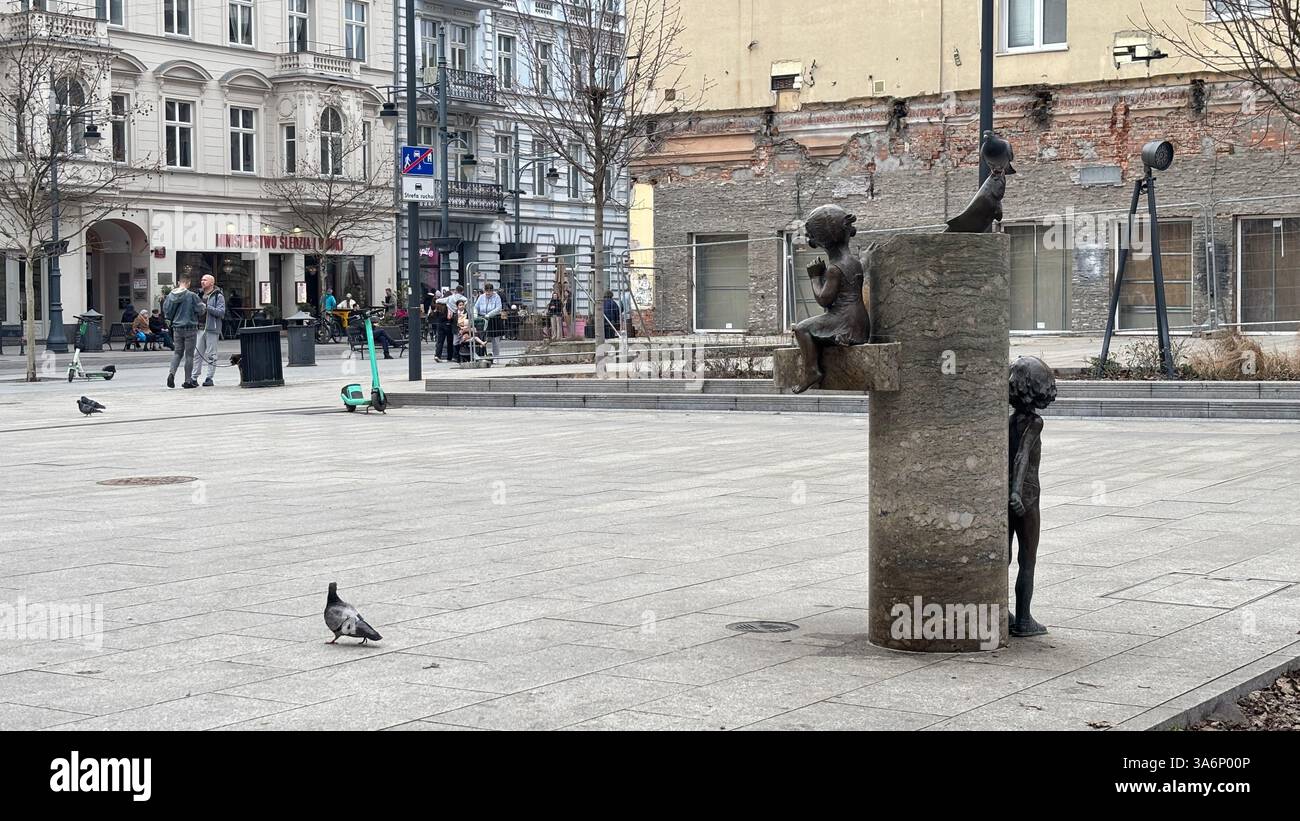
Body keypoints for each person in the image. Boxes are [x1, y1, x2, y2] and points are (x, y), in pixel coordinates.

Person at [790, 204, 871, 394]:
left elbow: (824, 300)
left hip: (845, 322)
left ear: (821, 241)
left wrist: (814, 277)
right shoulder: (854, 261)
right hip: (860, 323)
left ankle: (811, 371)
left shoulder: (835, 268)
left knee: (802, 329)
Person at [163, 274, 202, 388]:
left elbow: (166, 311)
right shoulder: (192, 295)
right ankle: (188, 380)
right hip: (190, 328)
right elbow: (200, 310)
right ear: (188, 283)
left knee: (177, 353)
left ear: (179, 282)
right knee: (189, 355)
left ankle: (171, 373)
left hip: (177, 328)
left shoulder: (170, 296)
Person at [191, 273, 226, 387]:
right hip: (199, 328)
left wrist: (207, 307)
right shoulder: (198, 295)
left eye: (205, 280)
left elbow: (221, 312)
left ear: (212, 282)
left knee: (211, 354)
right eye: (201, 280)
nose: (202, 282)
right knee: (197, 354)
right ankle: (194, 378)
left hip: (212, 328)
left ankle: (209, 378)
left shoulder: (218, 296)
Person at [474, 283, 504, 359]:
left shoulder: (497, 297)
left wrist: (489, 315)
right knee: (481, 337)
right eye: (486, 292)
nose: (488, 294)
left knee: (495, 339)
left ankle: (496, 357)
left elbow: (498, 308)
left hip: (494, 319)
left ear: (492, 291)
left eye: (489, 293)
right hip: (482, 319)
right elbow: (476, 307)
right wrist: (475, 314)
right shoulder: (481, 297)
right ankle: (481, 355)